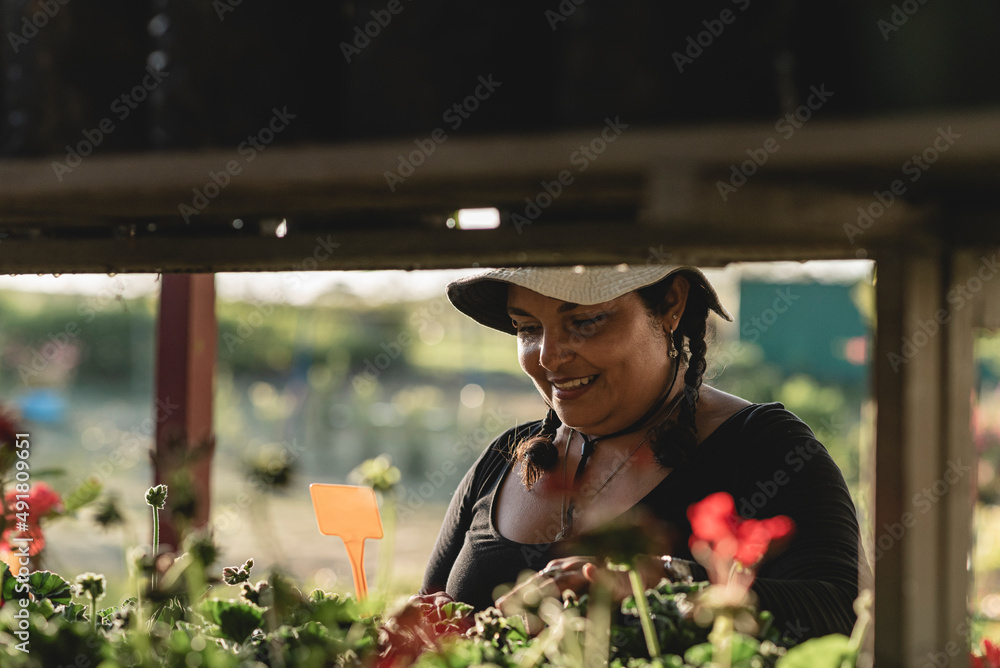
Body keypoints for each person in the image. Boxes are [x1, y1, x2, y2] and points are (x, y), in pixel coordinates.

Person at [416, 264, 869, 638]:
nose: (549, 356)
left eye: (585, 321)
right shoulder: (504, 457)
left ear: (671, 304)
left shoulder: (765, 447)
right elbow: (430, 612)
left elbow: (841, 612)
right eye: (528, 328)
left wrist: (659, 582)